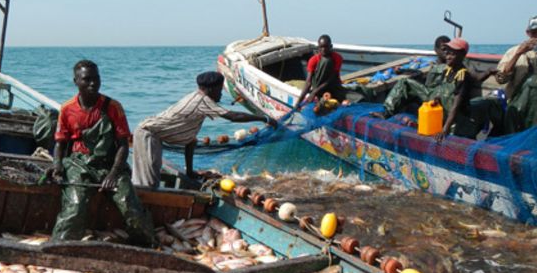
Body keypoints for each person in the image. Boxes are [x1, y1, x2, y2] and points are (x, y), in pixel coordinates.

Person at [49, 59, 155, 245]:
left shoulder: (113, 107)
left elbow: (123, 145)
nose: (93, 84)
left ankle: (146, 245)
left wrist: (114, 174)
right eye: (86, 79)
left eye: (96, 79)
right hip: (78, 164)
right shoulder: (67, 109)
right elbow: (60, 143)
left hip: (110, 164)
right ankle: (61, 246)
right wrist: (57, 166)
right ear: (76, 81)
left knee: (129, 204)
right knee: (75, 206)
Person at [132, 71, 278, 188]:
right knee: (148, 183)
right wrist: (263, 118)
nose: (221, 94)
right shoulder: (202, 101)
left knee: (148, 178)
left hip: (151, 134)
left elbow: (191, 141)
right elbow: (234, 116)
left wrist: (190, 172)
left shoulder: (197, 98)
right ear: (211, 89)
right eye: (220, 90)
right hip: (148, 134)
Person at [381, 35, 451, 116]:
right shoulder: (436, 64)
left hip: (435, 98)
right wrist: (403, 70)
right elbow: (420, 74)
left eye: (449, 49)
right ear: (436, 50)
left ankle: (387, 113)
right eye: (444, 49)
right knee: (408, 93)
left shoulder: (448, 66)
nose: (447, 52)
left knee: (404, 82)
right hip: (428, 92)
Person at [435, 38, 479, 141]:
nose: (448, 57)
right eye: (447, 53)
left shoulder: (462, 76)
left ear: (462, 56)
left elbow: (456, 106)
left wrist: (445, 129)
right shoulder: (447, 71)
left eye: (452, 54)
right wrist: (437, 99)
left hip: (460, 123)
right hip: (448, 118)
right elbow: (442, 91)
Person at [295, 35, 347, 108]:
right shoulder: (313, 60)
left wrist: (314, 92)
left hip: (333, 86)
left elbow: (333, 77)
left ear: (331, 46)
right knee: (326, 61)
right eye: (321, 47)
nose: (323, 49)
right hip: (318, 87)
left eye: (326, 47)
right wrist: (299, 102)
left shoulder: (338, 58)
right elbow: (308, 82)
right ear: (318, 48)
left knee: (357, 97)